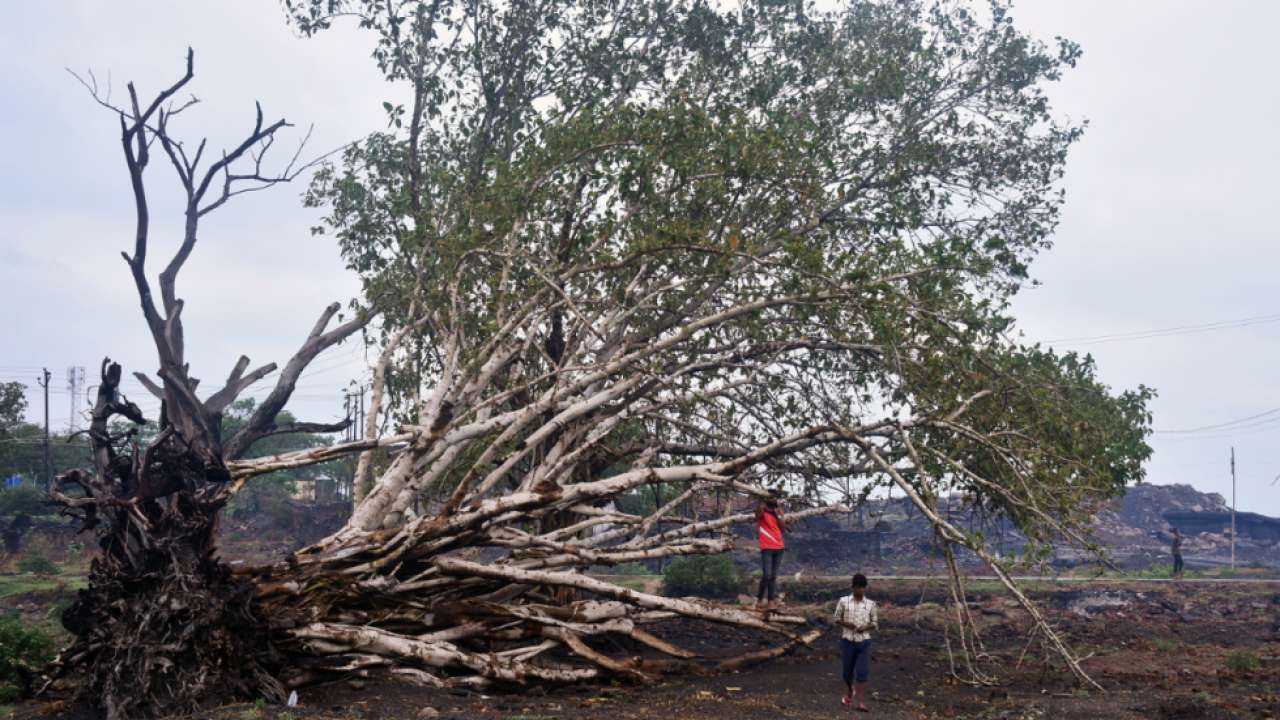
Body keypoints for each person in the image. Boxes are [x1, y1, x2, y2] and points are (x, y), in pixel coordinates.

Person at [834, 573, 877, 713]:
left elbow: (875, 624)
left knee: (862, 672)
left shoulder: (871, 604)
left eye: (861, 588)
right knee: (847, 673)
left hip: (864, 641)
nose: (859, 590)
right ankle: (849, 691)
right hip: (847, 641)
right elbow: (836, 618)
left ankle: (861, 702)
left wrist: (866, 627)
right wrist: (848, 624)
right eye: (856, 588)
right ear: (852, 587)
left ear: (865, 588)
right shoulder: (843, 601)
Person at [754, 492, 786, 611]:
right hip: (766, 547)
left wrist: (778, 515)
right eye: (770, 497)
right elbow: (757, 517)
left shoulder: (779, 511)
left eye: (774, 497)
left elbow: (782, 528)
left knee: (773, 576)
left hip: (779, 547)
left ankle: (771, 601)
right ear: (766, 498)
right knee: (766, 575)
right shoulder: (762, 510)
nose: (773, 499)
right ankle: (759, 599)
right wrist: (762, 503)